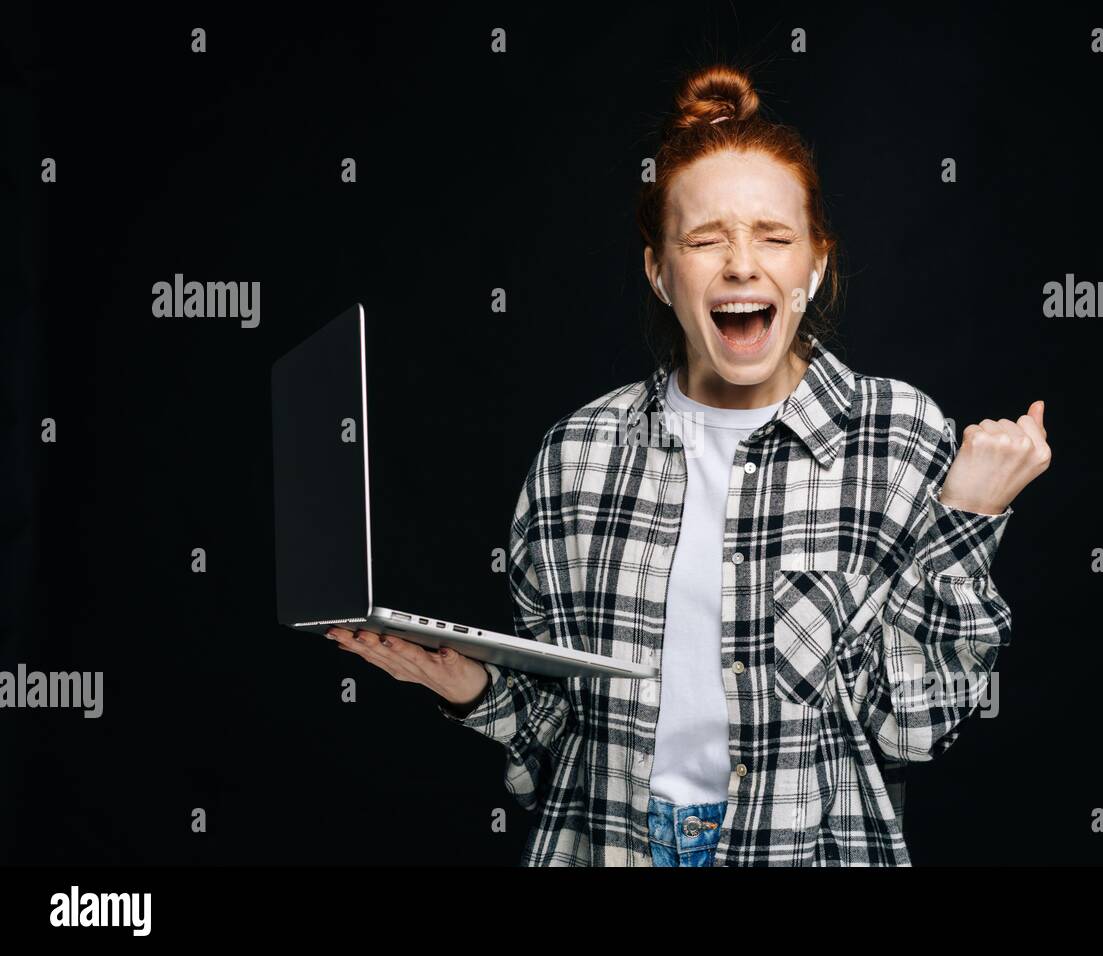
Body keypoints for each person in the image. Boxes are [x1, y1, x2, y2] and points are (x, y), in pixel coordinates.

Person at [325, 62, 1051, 866]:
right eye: (705, 240)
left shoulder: (899, 436)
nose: (742, 264)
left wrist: (968, 519)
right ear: (659, 273)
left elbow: (912, 729)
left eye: (775, 237)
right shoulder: (578, 454)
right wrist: (471, 689)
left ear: (814, 264)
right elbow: (553, 746)